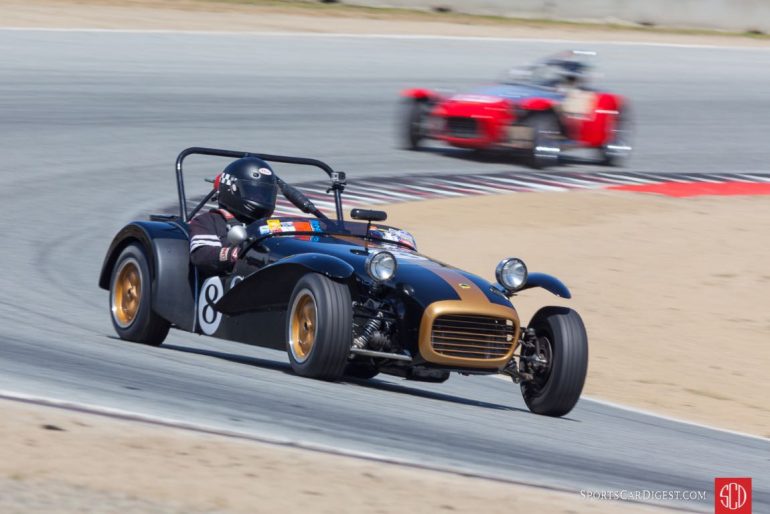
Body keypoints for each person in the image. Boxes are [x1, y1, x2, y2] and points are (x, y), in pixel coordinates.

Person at [189, 157, 278, 275]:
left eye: (264, 195)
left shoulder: (269, 226)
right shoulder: (208, 221)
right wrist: (236, 253)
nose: (260, 199)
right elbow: (201, 256)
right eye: (255, 194)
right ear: (231, 188)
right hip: (229, 283)